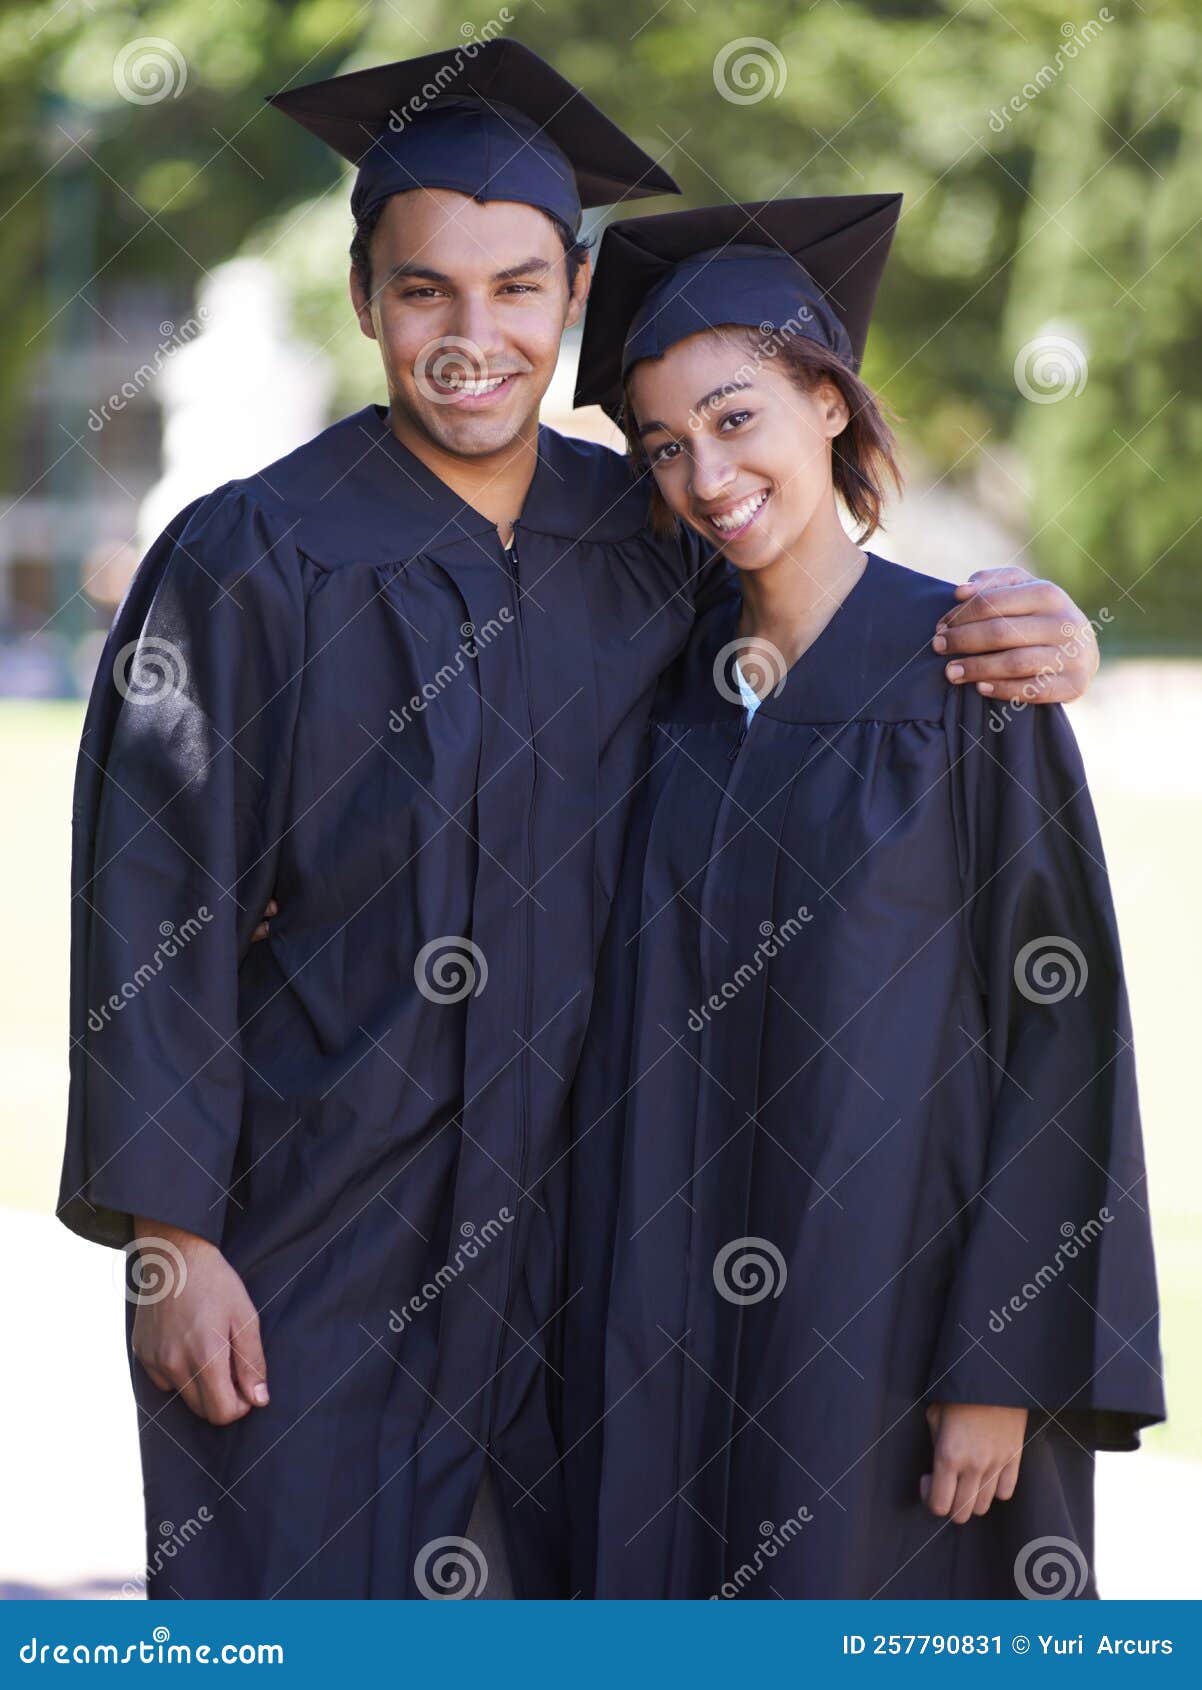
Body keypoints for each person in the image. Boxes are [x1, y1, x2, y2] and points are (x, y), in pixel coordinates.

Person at [59, 38, 1101, 1600]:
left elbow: (822, 669)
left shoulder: (644, 540)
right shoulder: (248, 557)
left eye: (518, 290)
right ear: (365, 299)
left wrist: (1044, 629)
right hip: (321, 1230)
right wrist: (174, 1238)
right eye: (425, 291)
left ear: (568, 299)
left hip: (601, 1240)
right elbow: (148, 896)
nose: (472, 335)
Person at [563, 197, 1164, 1600]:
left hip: (889, 1324)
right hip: (656, 1320)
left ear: (827, 403)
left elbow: (1059, 1041)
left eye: (733, 418)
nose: (704, 474)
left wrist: (1001, 1365)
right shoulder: (652, 685)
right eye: (662, 445)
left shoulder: (964, 679)